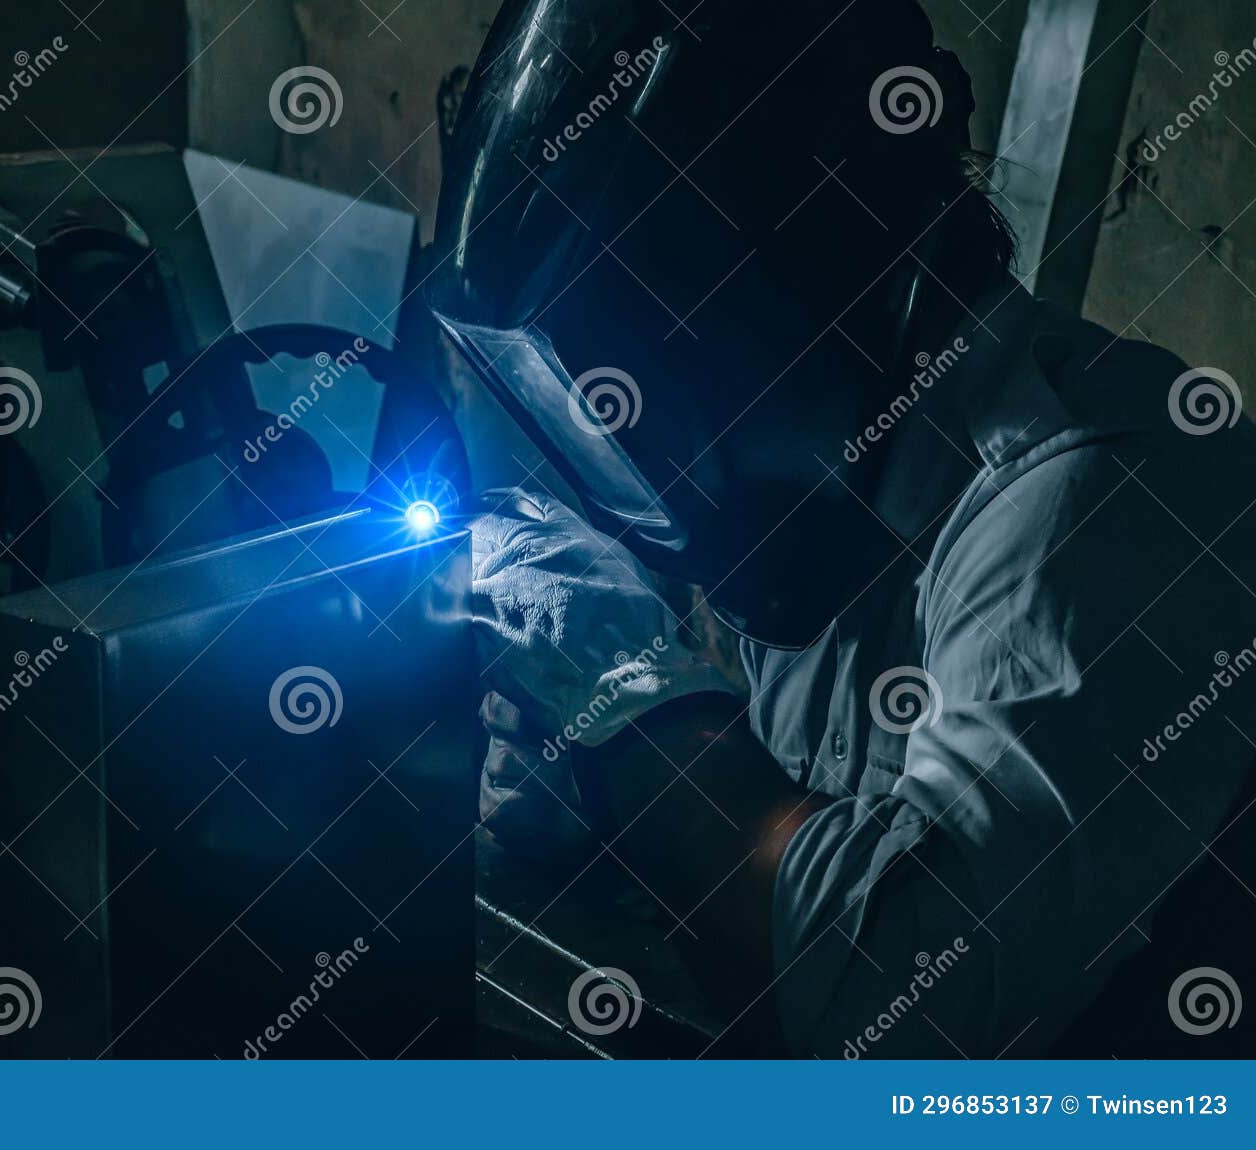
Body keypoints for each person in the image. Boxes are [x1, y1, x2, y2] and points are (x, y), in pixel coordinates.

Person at [429, 0, 1256, 1056]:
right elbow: (766, 858)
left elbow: (892, 1022)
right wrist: (589, 800)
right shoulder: (838, 500)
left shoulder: (1100, 492)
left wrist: (635, 708)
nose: (652, 459)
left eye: (657, 381)